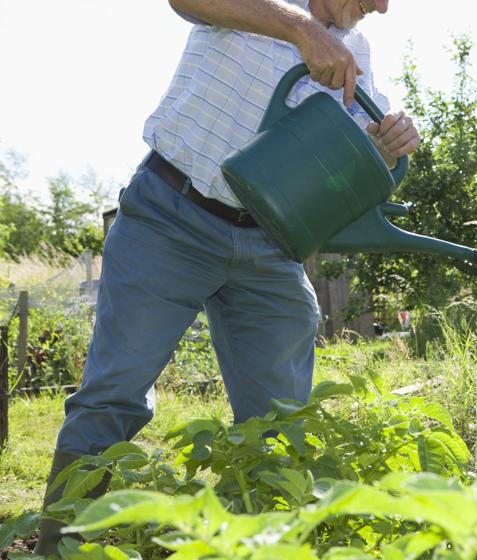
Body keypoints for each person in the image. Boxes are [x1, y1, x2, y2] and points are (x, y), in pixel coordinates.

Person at [34, 0, 420, 554]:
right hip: (171, 218)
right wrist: (300, 29)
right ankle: (59, 549)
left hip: (269, 246)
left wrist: (386, 145)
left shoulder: (355, 51)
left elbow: (349, 158)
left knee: (279, 423)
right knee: (112, 397)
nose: (382, 7)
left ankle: (249, 545)